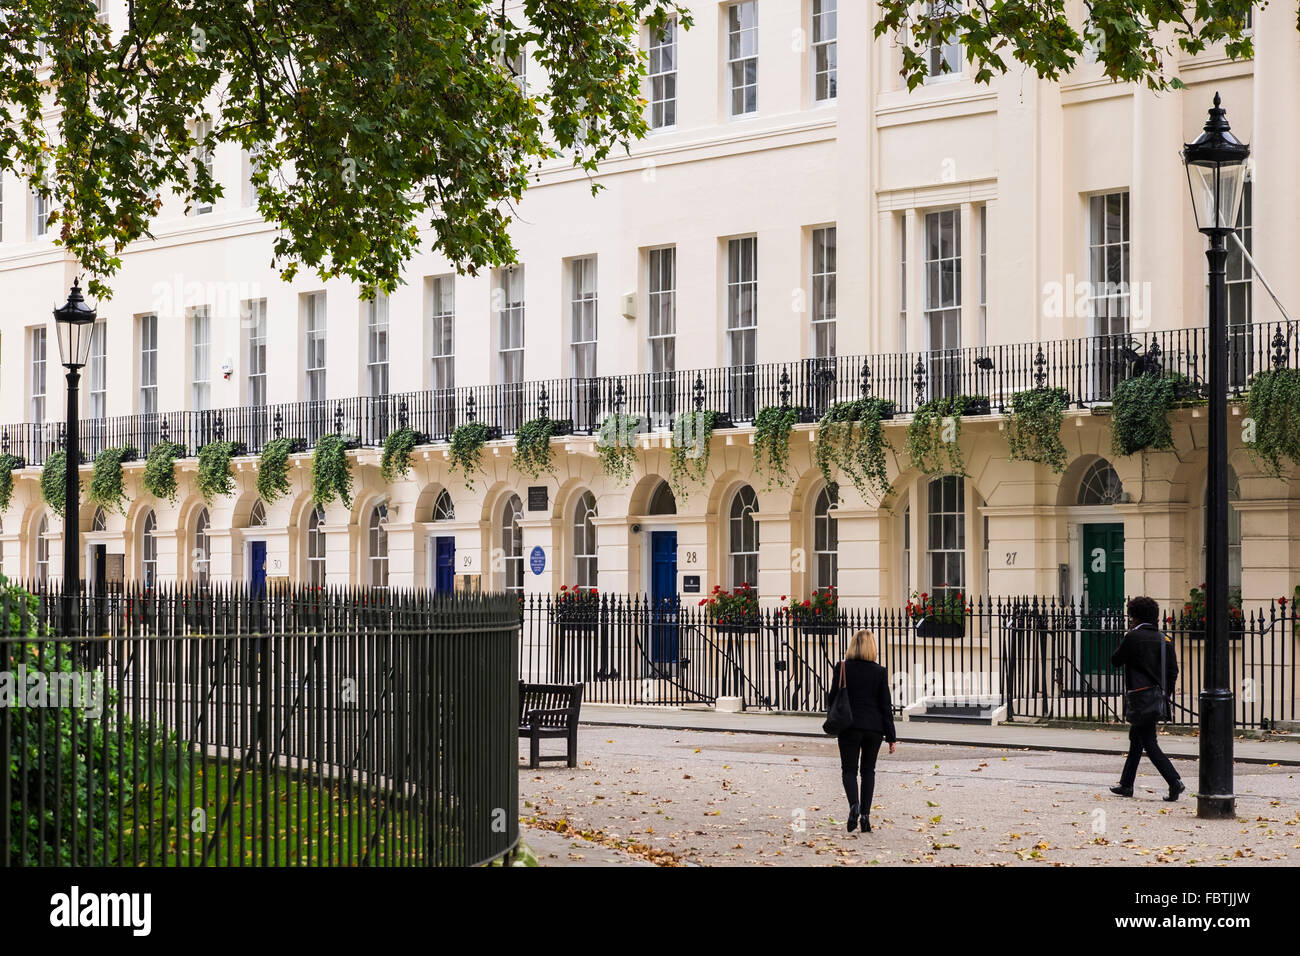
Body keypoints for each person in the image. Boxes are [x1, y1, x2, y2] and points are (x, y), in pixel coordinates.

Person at [1109, 595, 1186, 801]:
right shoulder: (1164, 639)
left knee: (1149, 743)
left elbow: (1115, 660)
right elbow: (1173, 671)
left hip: (1139, 696)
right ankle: (1126, 785)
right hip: (1155, 696)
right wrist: (1164, 694)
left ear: (1134, 616)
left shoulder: (1133, 637)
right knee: (1136, 740)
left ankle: (1174, 781)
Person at [827, 630, 897, 832]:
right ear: (872, 648)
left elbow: (832, 697)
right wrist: (891, 736)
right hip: (874, 729)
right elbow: (886, 706)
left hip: (848, 726)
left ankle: (853, 805)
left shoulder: (842, 668)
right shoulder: (880, 672)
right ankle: (865, 816)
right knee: (868, 771)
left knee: (849, 770)